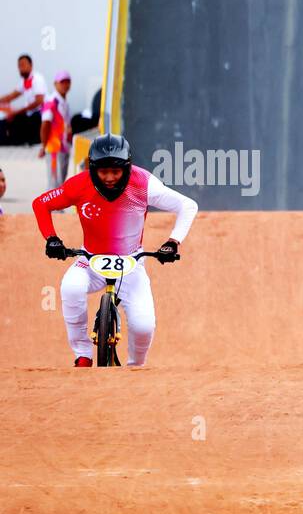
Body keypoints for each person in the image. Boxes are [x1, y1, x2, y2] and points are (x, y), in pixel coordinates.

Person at [32, 134, 198, 367]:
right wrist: (51, 239)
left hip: (131, 265)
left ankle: (135, 366)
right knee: (70, 287)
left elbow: (188, 205)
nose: (109, 178)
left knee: (143, 326)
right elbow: (41, 204)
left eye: (116, 171)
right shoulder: (79, 184)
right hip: (89, 260)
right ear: (93, 168)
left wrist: (173, 242)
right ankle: (82, 354)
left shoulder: (143, 183)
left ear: (127, 168)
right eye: (103, 172)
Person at [0, 54, 48, 145]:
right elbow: (10, 97)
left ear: (31, 65)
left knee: (21, 126)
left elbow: (39, 101)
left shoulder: (37, 79)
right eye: (19, 66)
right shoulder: (23, 82)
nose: (21, 68)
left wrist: (17, 112)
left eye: (23, 65)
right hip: (30, 114)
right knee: (4, 122)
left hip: (40, 115)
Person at [40, 71, 73, 191]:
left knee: (61, 179)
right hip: (54, 147)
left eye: (67, 82)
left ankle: (56, 207)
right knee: (54, 180)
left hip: (64, 146)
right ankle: (52, 208)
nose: (65, 85)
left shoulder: (64, 102)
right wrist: (44, 146)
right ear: (55, 84)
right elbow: (45, 124)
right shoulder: (51, 102)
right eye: (62, 82)